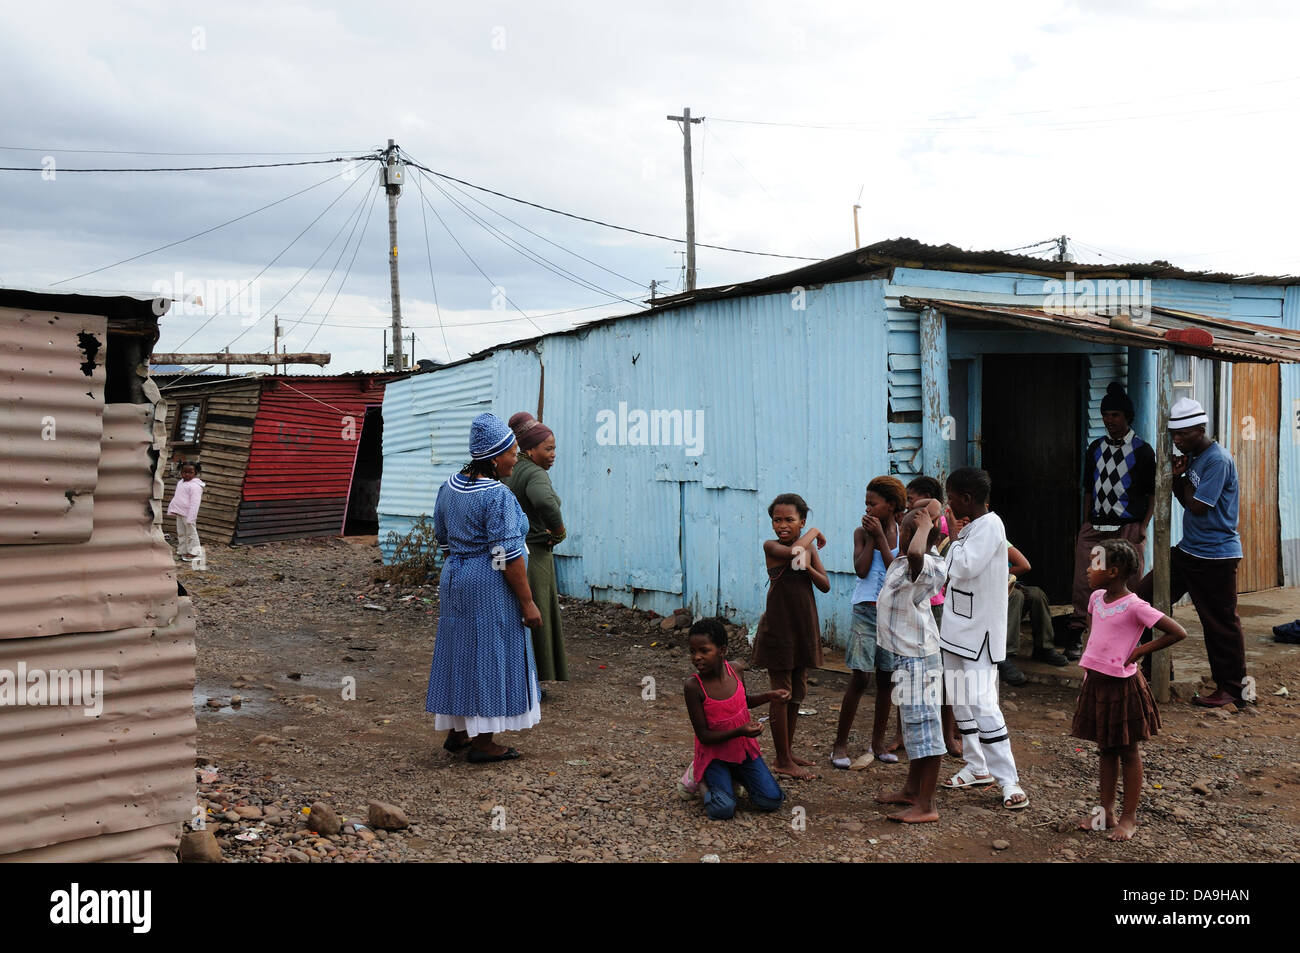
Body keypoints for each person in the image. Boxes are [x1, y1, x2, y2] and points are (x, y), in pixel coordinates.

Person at [425, 413, 544, 762]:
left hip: (455, 577)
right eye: (512, 452)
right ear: (494, 457)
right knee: (491, 653)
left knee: (460, 650)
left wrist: (462, 562)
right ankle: (484, 742)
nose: (516, 457)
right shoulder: (497, 495)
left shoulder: (450, 486)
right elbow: (507, 555)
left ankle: (459, 731)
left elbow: (443, 540)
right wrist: (527, 603)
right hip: (489, 582)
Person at [1134, 397, 1248, 709]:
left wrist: (1179, 479)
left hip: (1215, 557)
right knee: (1143, 600)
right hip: (1190, 551)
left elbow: (1198, 506)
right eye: (1174, 435)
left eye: (1183, 435)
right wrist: (1179, 479)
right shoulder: (1196, 457)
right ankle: (1156, 669)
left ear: (1200, 429)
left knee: (1219, 623)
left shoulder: (1216, 460)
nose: (1177, 441)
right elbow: (1190, 502)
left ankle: (1233, 689)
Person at [1072, 539, 1187, 841]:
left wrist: (1140, 651)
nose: (1087, 569)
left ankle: (1129, 818)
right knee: (1105, 748)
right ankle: (1105, 812)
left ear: (1112, 571)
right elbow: (1094, 634)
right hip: (1096, 682)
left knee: (1128, 750)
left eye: (1093, 563)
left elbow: (1177, 632)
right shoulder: (1096, 598)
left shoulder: (1135, 605)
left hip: (1122, 685)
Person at [938, 467, 1028, 810]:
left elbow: (960, 568)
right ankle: (977, 766)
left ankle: (1008, 779)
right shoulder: (971, 527)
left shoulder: (990, 526)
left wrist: (951, 539)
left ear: (966, 499)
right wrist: (956, 539)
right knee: (961, 699)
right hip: (955, 629)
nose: (948, 504)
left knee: (983, 702)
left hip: (979, 632)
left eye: (950, 497)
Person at [1065, 382, 1155, 659]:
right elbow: (1088, 490)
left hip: (1126, 526)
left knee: (1129, 582)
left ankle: (1132, 636)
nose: (1110, 421)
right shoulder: (1095, 448)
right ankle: (1079, 632)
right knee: (1086, 580)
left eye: (1115, 415)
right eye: (1106, 415)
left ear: (1127, 417)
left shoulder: (1142, 451)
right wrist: (1085, 524)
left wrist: (1142, 527)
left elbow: (1152, 492)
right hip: (1096, 525)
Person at [874, 500, 948, 823]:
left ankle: (927, 805)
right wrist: (924, 516)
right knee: (915, 730)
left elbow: (918, 551)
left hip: (920, 661)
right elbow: (909, 551)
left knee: (927, 735)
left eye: (905, 531)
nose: (900, 535)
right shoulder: (903, 562)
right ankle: (910, 790)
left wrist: (924, 527)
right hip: (906, 659)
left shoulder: (929, 563)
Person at [752, 493, 828, 780]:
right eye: (777, 520)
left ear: (801, 521)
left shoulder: (807, 548)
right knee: (781, 693)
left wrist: (809, 566)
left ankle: (788, 750)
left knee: (797, 692)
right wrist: (815, 532)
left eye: (789, 520)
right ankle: (782, 759)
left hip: (803, 627)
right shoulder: (771, 546)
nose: (782, 525)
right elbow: (795, 550)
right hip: (780, 629)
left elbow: (825, 585)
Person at [832, 476, 906, 770]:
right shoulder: (861, 533)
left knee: (886, 679)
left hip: (891, 615)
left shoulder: (904, 534)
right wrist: (873, 537)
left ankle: (877, 743)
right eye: (866, 503)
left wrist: (883, 538)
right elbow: (861, 570)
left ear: (890, 505)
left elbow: (895, 570)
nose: (867, 509)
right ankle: (840, 744)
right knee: (861, 676)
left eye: (872, 503)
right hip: (865, 611)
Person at [684, 617, 788, 821]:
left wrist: (770, 696)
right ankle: (701, 777)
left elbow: (744, 701)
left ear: (722, 650)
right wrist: (740, 730)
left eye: (704, 651)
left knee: (771, 800)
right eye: (692, 651)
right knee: (722, 810)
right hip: (714, 755)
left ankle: (735, 777)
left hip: (743, 750)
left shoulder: (737, 670)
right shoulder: (693, 686)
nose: (697, 657)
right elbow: (704, 736)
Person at [505, 411, 568, 686]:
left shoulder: (510, 469)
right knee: (536, 612)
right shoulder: (535, 473)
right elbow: (543, 501)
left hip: (510, 556)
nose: (553, 454)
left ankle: (517, 677)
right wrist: (559, 530)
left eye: (554, 448)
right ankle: (536, 680)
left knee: (515, 614)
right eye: (548, 448)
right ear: (530, 449)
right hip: (535, 556)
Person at [906, 476, 960, 758]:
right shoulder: (912, 521)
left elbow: (938, 510)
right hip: (916, 607)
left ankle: (948, 735)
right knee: (913, 677)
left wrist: (929, 513)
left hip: (936, 605)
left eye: (911, 499)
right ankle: (906, 736)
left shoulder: (932, 518)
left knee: (944, 673)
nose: (908, 505)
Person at [1002, 543, 1069, 685]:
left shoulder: (996, 534)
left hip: (1008, 582)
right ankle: (1002, 656)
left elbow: (1024, 565)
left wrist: (1007, 578)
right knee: (1016, 596)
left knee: (1036, 594)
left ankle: (1043, 648)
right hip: (988, 589)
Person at [167, 461, 204, 561]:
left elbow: (195, 503)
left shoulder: (195, 486)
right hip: (180, 512)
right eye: (184, 472)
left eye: (190, 472)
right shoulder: (181, 483)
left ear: (195, 473)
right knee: (181, 533)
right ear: (180, 472)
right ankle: (183, 550)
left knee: (191, 534)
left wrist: (191, 517)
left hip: (188, 514)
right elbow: (177, 497)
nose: (186, 474)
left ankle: (194, 552)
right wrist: (172, 509)